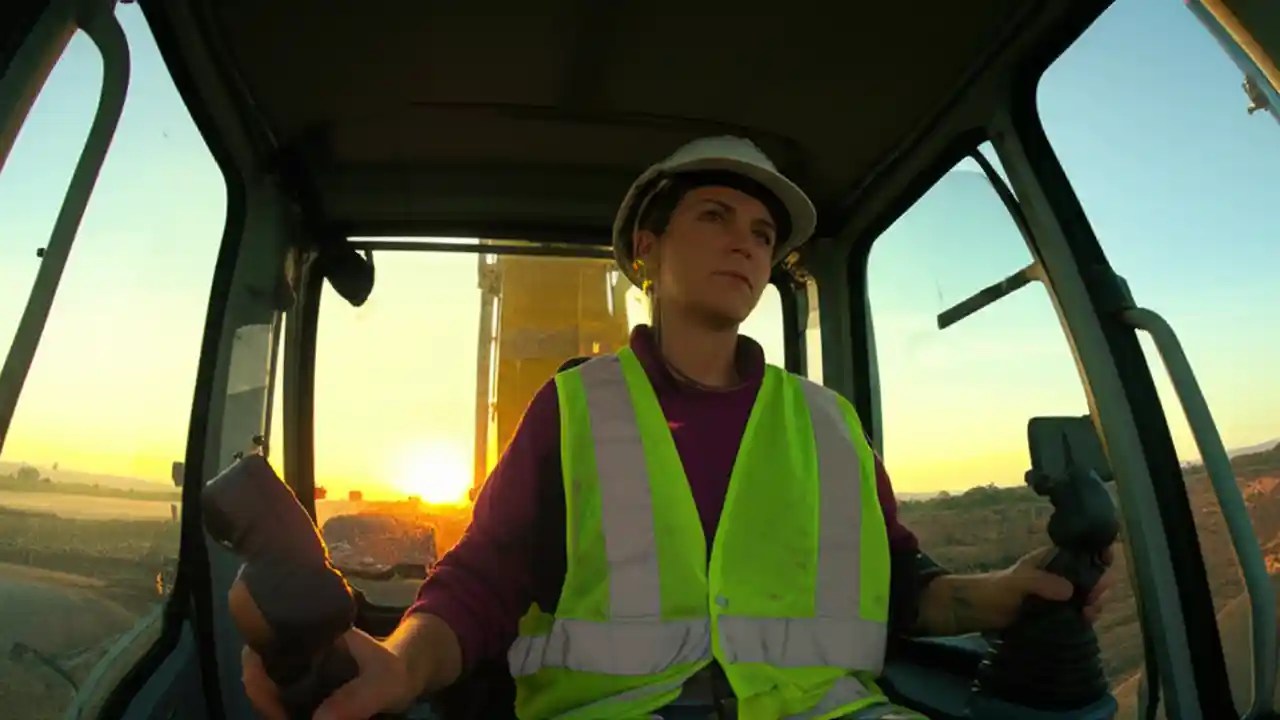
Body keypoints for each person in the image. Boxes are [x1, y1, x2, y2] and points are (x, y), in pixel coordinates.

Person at [242, 136, 1115, 720]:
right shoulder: (575, 410)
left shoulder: (829, 424)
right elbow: (478, 586)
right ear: (646, 252)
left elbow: (896, 591)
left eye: (763, 233)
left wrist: (995, 596)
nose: (746, 242)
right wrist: (399, 665)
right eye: (716, 217)